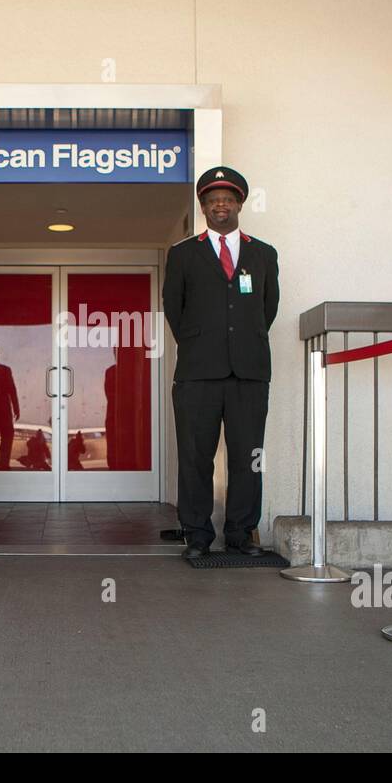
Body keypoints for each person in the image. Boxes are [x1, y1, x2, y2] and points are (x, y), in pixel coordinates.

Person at [162, 166, 278, 559]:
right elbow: (174, 309)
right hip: (197, 373)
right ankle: (197, 536)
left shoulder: (263, 254)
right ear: (203, 207)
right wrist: (202, 343)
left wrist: (241, 340)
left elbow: (268, 308)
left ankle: (241, 534)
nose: (220, 206)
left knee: (248, 458)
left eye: (227, 199)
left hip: (249, 372)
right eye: (213, 200)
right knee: (195, 458)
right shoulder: (182, 254)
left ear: (239, 203)